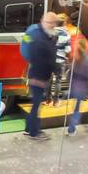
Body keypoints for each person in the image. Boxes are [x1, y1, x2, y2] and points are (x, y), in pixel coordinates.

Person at [21, 12, 58, 140]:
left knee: (36, 103)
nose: (52, 25)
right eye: (50, 23)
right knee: (36, 104)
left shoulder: (48, 34)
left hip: (41, 74)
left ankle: (29, 128)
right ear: (43, 20)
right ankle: (34, 132)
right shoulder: (35, 33)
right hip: (37, 75)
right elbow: (27, 51)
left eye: (54, 23)